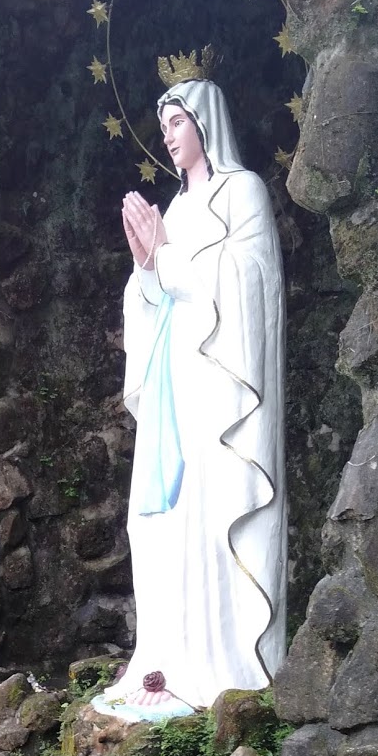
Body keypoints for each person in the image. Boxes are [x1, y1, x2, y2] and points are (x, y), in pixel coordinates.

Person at [94, 77, 286, 722]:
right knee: (160, 522)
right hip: (175, 382)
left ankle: (225, 658)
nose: (168, 136)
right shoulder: (174, 210)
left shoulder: (244, 191)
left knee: (210, 511)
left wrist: (169, 265)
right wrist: (146, 269)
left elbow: (251, 279)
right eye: (164, 125)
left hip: (220, 388)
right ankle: (168, 659)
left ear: (205, 124)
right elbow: (152, 300)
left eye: (176, 122)